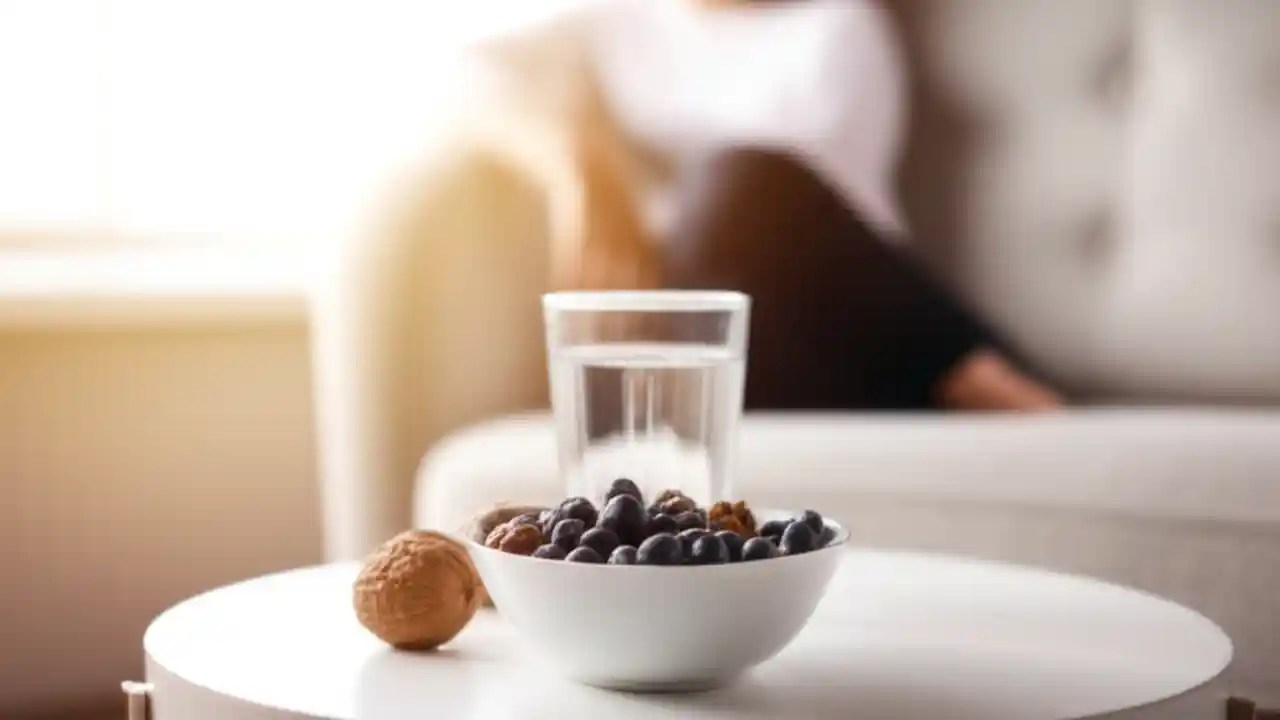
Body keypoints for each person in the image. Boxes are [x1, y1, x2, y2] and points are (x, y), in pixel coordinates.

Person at [462, 0, 1062, 410]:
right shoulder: (620, 23)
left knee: (738, 187)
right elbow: (469, 73)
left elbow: (779, 220)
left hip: (839, 331)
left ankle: (985, 385)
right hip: (692, 339)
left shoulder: (834, 28)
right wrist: (583, 171)